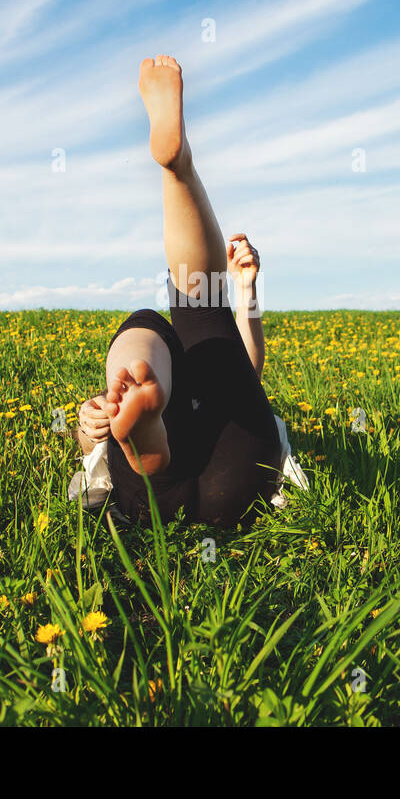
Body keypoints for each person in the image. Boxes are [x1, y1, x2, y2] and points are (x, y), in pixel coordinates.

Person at [73, 55, 282, 527]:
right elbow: (245, 372)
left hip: (151, 497)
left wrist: (92, 428)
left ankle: (141, 422)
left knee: (147, 321)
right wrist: (242, 301)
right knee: (206, 315)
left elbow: (90, 453)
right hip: (245, 473)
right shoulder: (211, 363)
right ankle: (179, 168)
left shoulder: (166, 374)